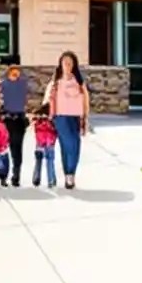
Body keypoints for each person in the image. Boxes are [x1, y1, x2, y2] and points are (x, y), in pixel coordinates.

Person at [44, 51, 89, 189]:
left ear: (74, 65)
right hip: (60, 117)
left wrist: (85, 117)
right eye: (65, 63)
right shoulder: (56, 81)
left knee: (75, 146)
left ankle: (71, 173)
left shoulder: (79, 82)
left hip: (76, 117)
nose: (67, 65)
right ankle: (68, 175)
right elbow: (47, 99)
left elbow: (85, 100)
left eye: (70, 63)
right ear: (61, 64)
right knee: (67, 145)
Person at [0, 64, 30, 187]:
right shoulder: (4, 85)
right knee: (4, 148)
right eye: (13, 73)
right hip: (7, 119)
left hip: (19, 119)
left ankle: (16, 175)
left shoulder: (22, 84)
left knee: (17, 148)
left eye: (17, 73)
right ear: (9, 73)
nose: (15, 75)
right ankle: (3, 175)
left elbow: (25, 100)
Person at [31, 104, 57, 188]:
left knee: (38, 161)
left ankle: (36, 179)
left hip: (40, 143)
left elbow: (36, 130)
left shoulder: (39, 122)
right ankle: (51, 180)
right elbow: (55, 132)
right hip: (50, 143)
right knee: (50, 161)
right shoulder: (52, 122)